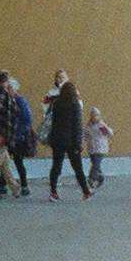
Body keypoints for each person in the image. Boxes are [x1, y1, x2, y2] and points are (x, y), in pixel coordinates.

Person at [42, 70, 90, 199]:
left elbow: (51, 120)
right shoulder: (76, 105)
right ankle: (86, 191)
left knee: (56, 166)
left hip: (57, 140)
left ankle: (53, 192)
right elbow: (77, 126)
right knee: (77, 168)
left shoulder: (56, 104)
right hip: (71, 142)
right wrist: (79, 144)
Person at [4, 75, 36, 197]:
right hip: (10, 135)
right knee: (4, 161)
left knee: (18, 161)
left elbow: (27, 119)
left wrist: (18, 133)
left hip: (18, 136)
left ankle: (24, 185)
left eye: (10, 88)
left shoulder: (20, 101)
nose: (8, 90)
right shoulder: (9, 101)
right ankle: (3, 184)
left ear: (15, 88)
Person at [87, 105, 112, 189]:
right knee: (96, 164)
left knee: (95, 165)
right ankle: (100, 178)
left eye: (96, 115)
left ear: (99, 116)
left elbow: (109, 133)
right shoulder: (88, 126)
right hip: (92, 149)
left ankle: (91, 179)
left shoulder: (101, 125)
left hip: (101, 148)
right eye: (93, 115)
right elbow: (85, 135)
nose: (94, 117)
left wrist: (106, 129)